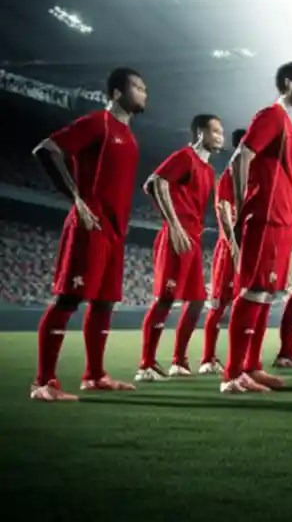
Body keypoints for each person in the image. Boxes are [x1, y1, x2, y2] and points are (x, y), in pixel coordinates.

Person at [31, 67, 146, 402]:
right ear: (117, 93)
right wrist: (76, 199)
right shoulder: (99, 123)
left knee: (104, 302)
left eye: (144, 88)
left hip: (115, 232)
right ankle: (43, 383)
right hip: (90, 227)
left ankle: (94, 375)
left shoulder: (129, 135)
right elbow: (47, 149)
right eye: (137, 87)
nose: (144, 93)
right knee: (68, 299)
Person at [221, 61, 292, 394]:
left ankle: (251, 366)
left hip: (282, 221)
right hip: (266, 217)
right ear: (288, 83)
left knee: (265, 294)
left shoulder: (287, 124)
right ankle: (232, 375)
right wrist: (242, 207)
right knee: (253, 291)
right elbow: (240, 158)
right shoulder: (272, 115)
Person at [136, 114, 224, 382]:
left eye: (222, 133)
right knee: (166, 298)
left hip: (193, 239)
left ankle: (179, 361)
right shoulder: (185, 157)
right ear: (200, 132)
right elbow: (154, 183)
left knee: (197, 301)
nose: (220, 137)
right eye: (215, 131)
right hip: (177, 236)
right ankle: (146, 364)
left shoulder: (207, 170)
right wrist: (173, 225)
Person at [200, 128, 246, 375]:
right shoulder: (230, 175)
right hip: (230, 250)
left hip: (249, 251)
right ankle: (207, 359)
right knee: (218, 305)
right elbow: (223, 212)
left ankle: (241, 360)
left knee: (245, 305)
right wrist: (234, 246)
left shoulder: (253, 178)